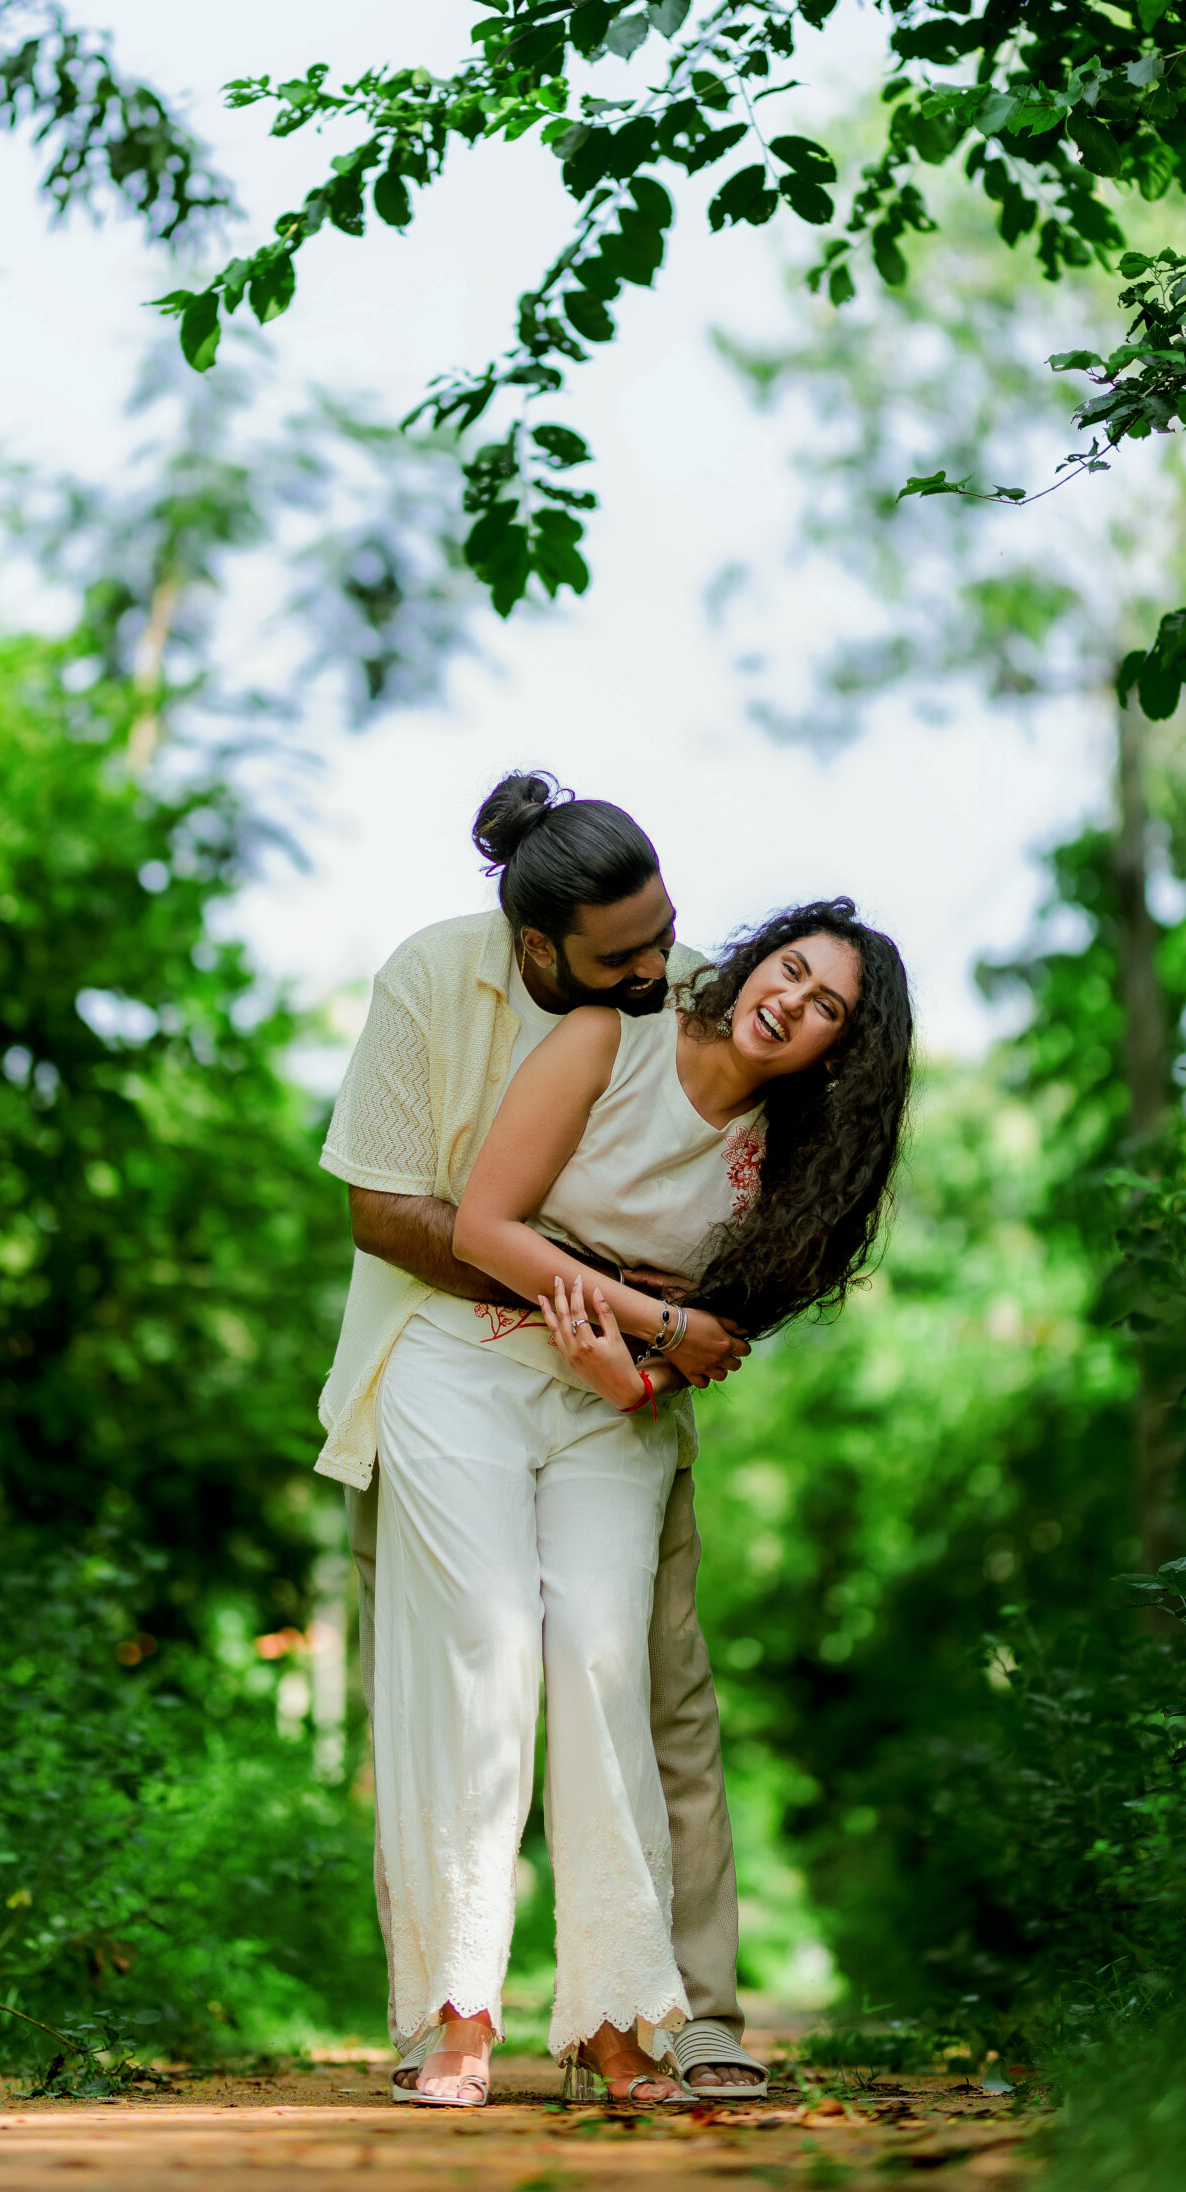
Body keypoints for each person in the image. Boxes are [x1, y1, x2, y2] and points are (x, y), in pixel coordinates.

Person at [319, 773, 913, 2104]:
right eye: (793, 974)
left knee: (619, 1674)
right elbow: (437, 1218)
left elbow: (722, 1332)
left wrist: (637, 1371)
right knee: (481, 1660)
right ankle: (457, 2012)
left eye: (831, 1009)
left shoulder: (760, 1092)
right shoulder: (550, 1010)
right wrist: (628, 1315)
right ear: (546, 953)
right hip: (461, 1358)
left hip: (619, 1408)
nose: (661, 968)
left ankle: (627, 2016)